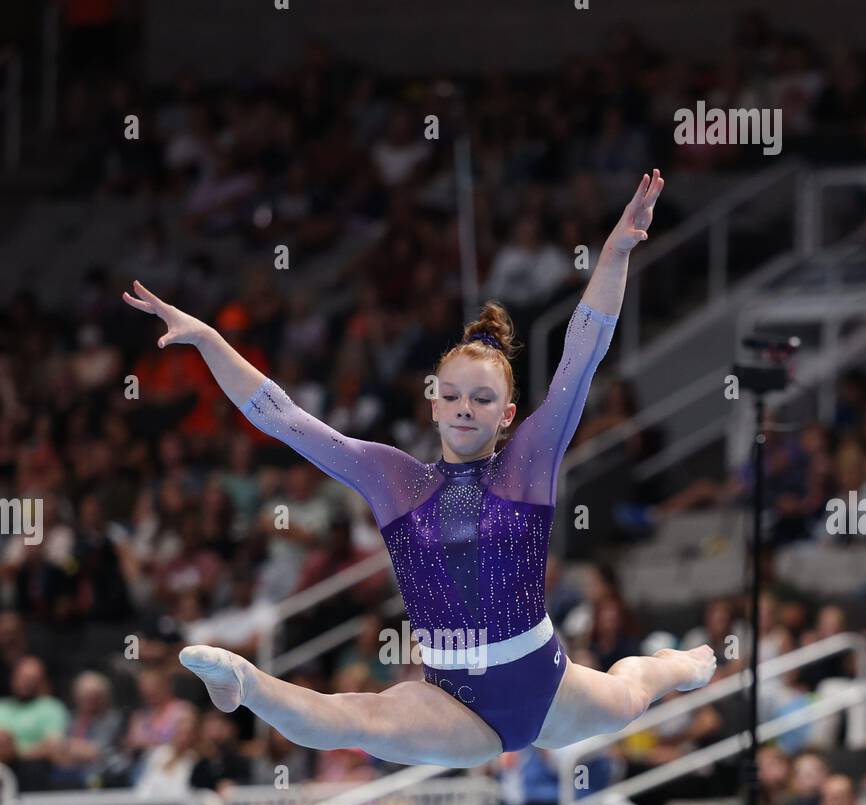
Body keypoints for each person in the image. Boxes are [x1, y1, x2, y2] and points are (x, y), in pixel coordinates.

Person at [124, 170, 717, 770]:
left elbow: (582, 355)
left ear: (508, 414)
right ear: (432, 402)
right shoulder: (394, 480)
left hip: (545, 686)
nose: (466, 408)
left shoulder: (527, 465)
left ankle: (677, 664)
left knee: (633, 691)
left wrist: (614, 251)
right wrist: (207, 339)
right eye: (453, 396)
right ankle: (244, 682)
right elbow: (285, 419)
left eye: (483, 400)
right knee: (355, 719)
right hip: (449, 699)